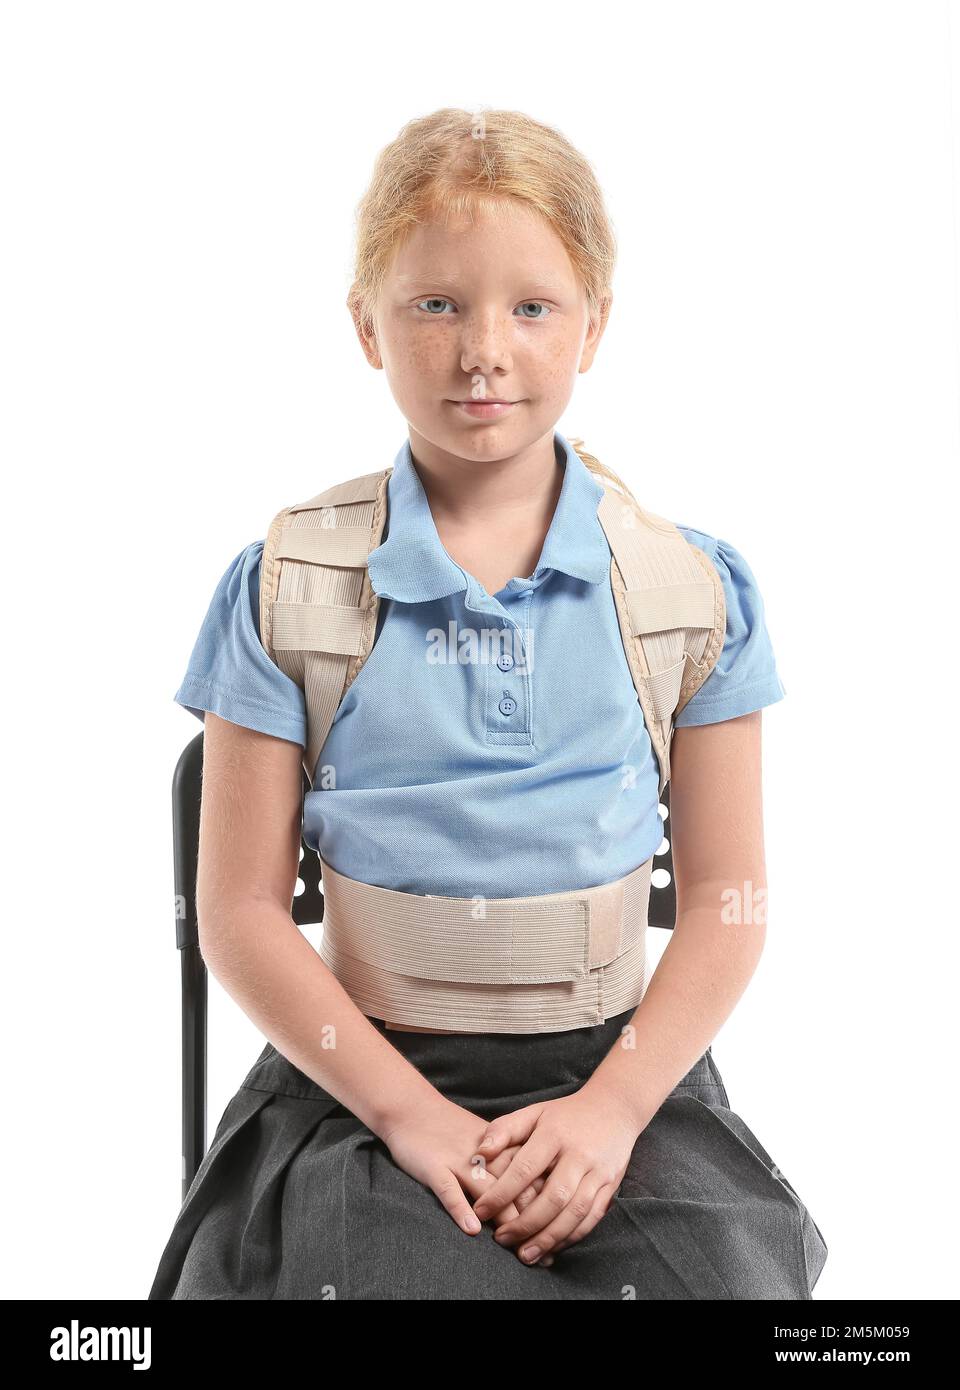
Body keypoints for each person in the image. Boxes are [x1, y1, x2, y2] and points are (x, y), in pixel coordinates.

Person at [148, 107, 828, 1300]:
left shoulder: (686, 593)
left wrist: (613, 1109)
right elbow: (242, 913)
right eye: (435, 305)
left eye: (531, 307)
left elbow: (728, 894)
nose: (483, 352)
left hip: (618, 1077)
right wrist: (413, 1118)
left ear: (594, 325)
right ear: (366, 324)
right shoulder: (290, 589)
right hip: (363, 1081)